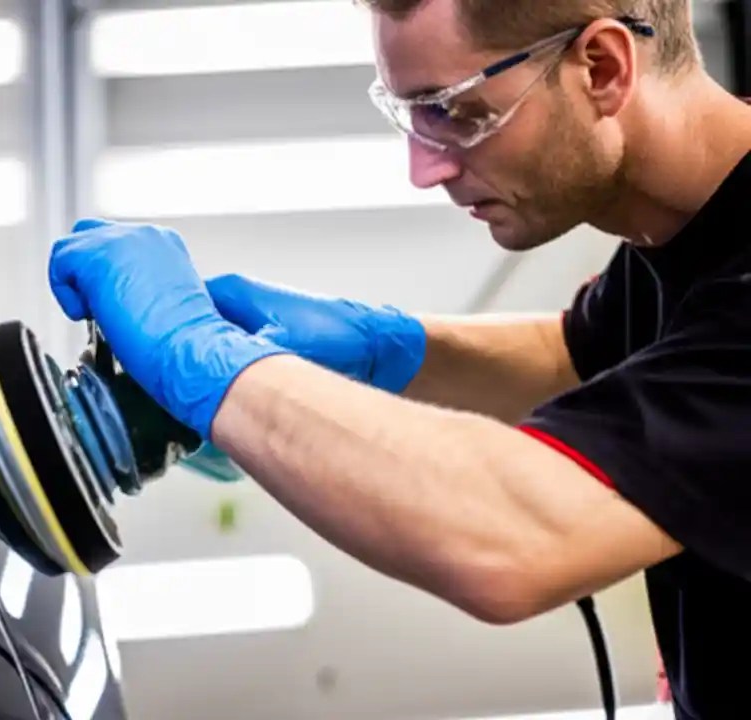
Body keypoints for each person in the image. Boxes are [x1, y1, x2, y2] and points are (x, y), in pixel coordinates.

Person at [46, 1, 751, 718]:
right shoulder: (685, 225)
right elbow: (579, 355)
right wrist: (387, 347)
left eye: (458, 111)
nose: (424, 168)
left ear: (601, 68)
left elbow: (513, 537)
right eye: (409, 113)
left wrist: (209, 367)